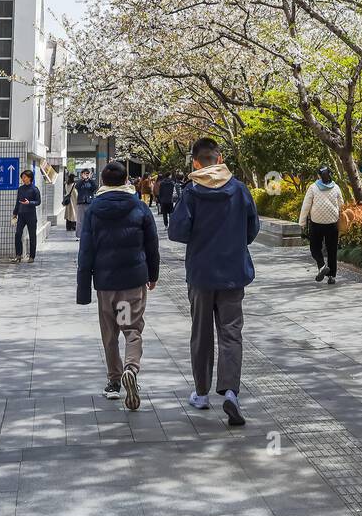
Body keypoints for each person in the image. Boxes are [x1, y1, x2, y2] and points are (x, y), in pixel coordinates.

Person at [168, 137, 260, 426]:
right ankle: (231, 392)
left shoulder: (191, 193)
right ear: (219, 159)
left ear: (196, 162)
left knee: (201, 332)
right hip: (233, 273)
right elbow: (252, 227)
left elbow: (177, 232)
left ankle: (201, 393)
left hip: (201, 275)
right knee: (231, 332)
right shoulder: (239, 189)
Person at [76, 160, 160, 409]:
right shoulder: (140, 207)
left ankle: (114, 382)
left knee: (110, 333)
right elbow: (152, 246)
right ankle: (131, 369)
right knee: (132, 328)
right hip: (133, 283)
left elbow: (86, 250)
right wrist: (152, 275)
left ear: (102, 181)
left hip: (106, 283)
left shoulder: (94, 209)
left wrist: (83, 288)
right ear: (126, 181)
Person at [299, 165, 344, 284]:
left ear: (318, 175)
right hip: (332, 223)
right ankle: (332, 276)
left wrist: (302, 222)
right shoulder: (336, 187)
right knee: (332, 250)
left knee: (314, 248)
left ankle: (322, 266)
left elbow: (306, 206)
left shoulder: (313, 188)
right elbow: (341, 205)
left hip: (316, 224)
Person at [12, 169, 41, 264]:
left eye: (24, 177)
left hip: (31, 216)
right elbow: (18, 202)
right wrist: (15, 213)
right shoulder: (21, 189)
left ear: (30, 178)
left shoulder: (34, 189)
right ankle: (18, 255)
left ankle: (32, 256)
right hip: (21, 215)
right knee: (18, 234)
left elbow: (38, 202)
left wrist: (29, 203)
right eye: (22, 177)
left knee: (32, 236)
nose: (23, 179)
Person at [74, 168, 97, 239]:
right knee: (80, 220)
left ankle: (90, 234)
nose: (86, 175)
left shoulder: (91, 182)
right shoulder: (80, 182)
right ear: (82, 174)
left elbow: (95, 187)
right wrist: (83, 179)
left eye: (87, 173)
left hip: (90, 202)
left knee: (90, 219)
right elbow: (76, 187)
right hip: (81, 202)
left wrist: (89, 179)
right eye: (84, 173)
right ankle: (79, 235)